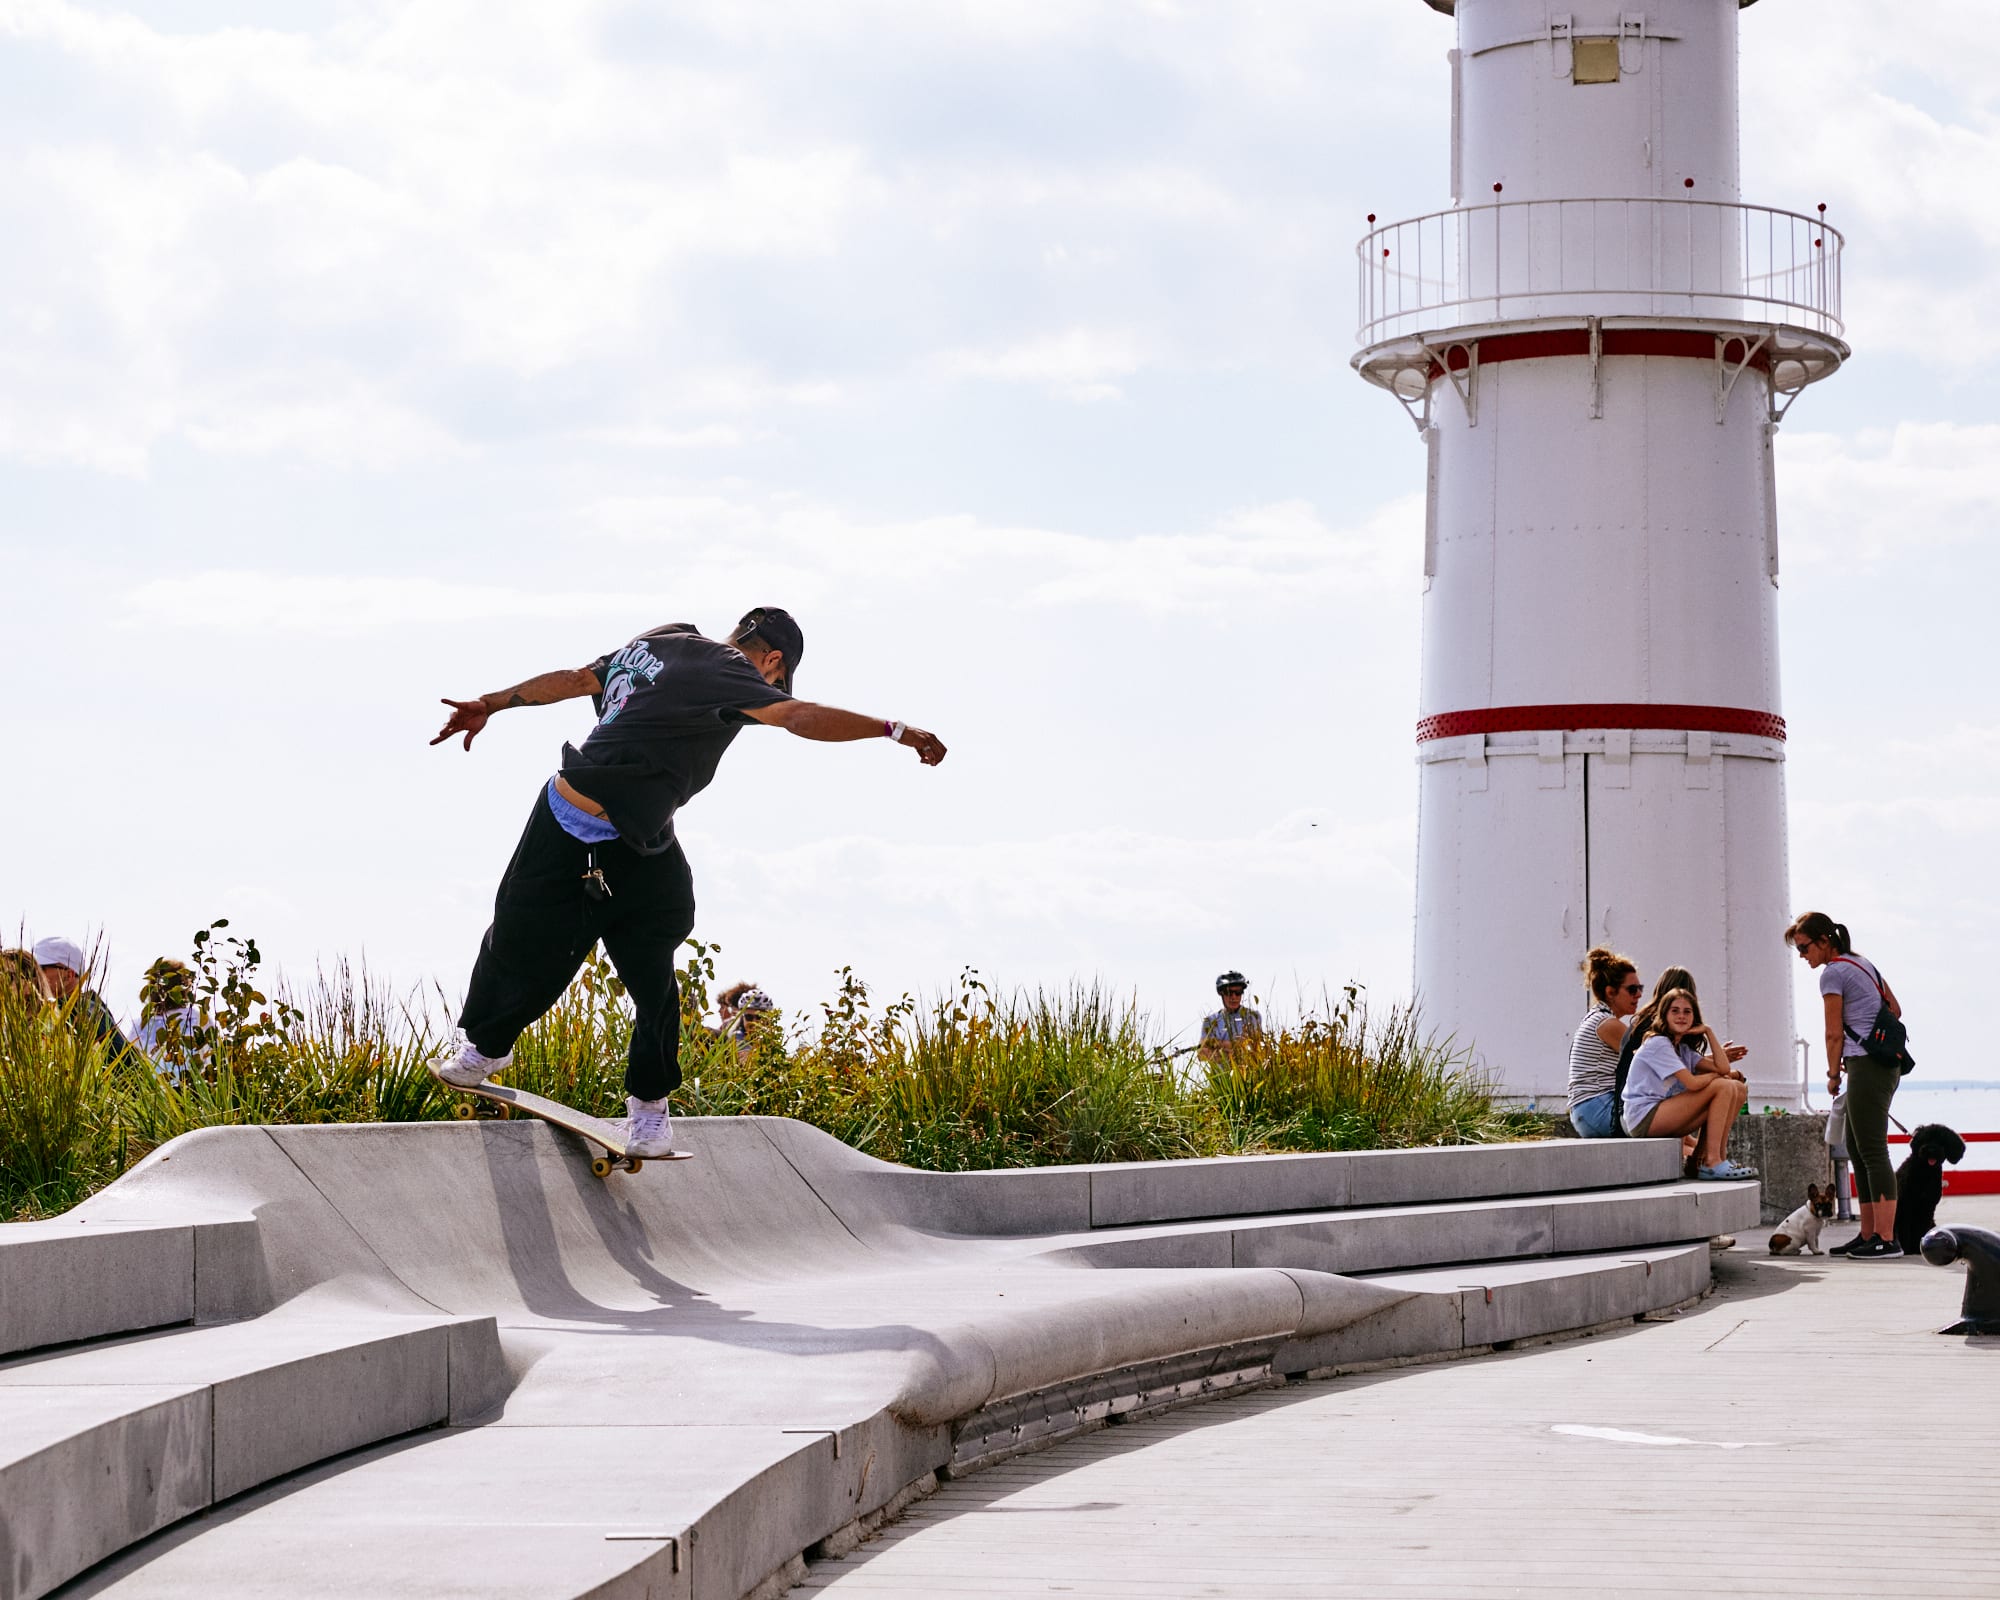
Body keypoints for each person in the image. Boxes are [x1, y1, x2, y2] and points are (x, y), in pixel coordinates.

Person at [430, 609, 946, 1158]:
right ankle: (494, 1049)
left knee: (643, 955)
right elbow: (797, 716)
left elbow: (577, 679)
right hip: (568, 829)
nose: (763, 693)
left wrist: (490, 703)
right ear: (773, 661)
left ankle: (646, 1108)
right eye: (771, 680)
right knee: (537, 940)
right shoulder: (734, 673)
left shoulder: (662, 640)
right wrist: (894, 730)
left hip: (641, 838)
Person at [1789, 911, 1903, 1258]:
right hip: (1875, 1063)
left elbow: (1832, 1031)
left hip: (1867, 1065)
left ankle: (1886, 1237)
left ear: (1825, 942)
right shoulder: (1862, 963)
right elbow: (1894, 1009)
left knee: (1872, 1150)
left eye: (1805, 947)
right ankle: (1868, 1234)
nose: (1803, 956)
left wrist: (1832, 1073)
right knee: (1856, 1147)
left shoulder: (1833, 973)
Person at [1619, 987, 1757, 1179]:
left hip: (1663, 1114)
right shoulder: (1658, 1043)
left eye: (1687, 1011)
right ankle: (1712, 1162)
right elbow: (1692, 1083)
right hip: (1643, 1117)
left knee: (1738, 1089)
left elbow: (1723, 1068)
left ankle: (1710, 1159)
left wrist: (1708, 1031)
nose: (1681, 1016)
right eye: (1674, 1011)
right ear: (1664, 1015)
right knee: (1723, 1085)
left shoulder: (1682, 1049)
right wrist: (1717, 1078)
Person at [1567, 946, 1640, 1137]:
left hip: (1588, 1109)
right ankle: (1706, 1160)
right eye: (1632, 989)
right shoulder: (1608, 1024)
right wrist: (1709, 1063)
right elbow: (1656, 1061)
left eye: (1640, 989)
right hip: (1597, 1107)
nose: (1639, 995)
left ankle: (1703, 1159)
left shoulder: (1597, 1018)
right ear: (1610, 992)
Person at [33, 937, 142, 1064]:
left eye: (40, 968)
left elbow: (125, 1063)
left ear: (69, 975)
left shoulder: (81, 1011)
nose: (32, 974)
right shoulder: (89, 1008)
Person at [1198, 971, 1262, 1062]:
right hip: (1220, 1075)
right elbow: (1202, 1054)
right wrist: (1233, 1048)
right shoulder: (1210, 1021)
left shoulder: (1253, 1016)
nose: (1234, 997)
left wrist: (1218, 1046)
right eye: (1229, 993)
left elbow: (1254, 1048)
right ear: (1221, 993)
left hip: (1246, 1074)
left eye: (1238, 992)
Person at [717, 981, 777, 1062]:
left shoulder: (773, 1038)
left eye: (759, 1017)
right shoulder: (735, 1035)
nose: (754, 1022)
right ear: (742, 1017)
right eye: (749, 1017)